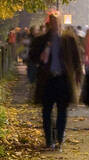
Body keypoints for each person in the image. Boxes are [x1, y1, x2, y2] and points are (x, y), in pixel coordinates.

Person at [34, 13, 84, 150]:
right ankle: (49, 139)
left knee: (62, 110)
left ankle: (60, 137)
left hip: (63, 79)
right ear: (48, 24)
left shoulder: (68, 39)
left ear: (60, 23)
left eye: (57, 21)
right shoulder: (42, 40)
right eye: (52, 22)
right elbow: (32, 57)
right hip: (48, 80)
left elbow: (76, 58)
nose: (55, 24)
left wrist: (78, 73)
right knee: (47, 111)